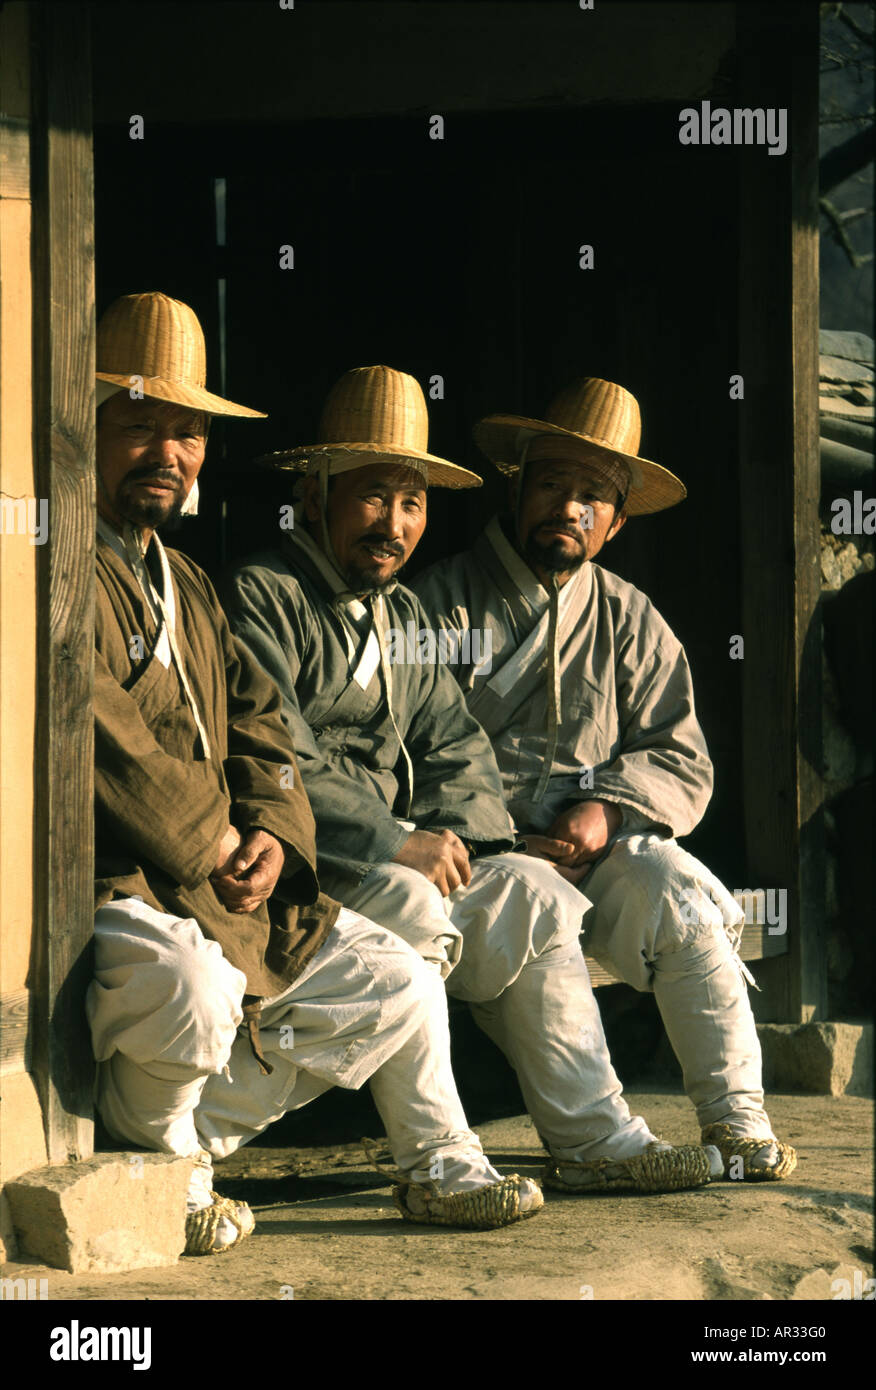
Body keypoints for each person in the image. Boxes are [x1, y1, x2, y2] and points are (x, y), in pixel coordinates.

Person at [88, 293, 548, 1253]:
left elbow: (260, 729)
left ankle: (430, 1167)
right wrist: (215, 834)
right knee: (193, 989)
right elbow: (103, 732)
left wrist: (270, 829)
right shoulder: (63, 570)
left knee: (398, 979)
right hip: (126, 880)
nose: (168, 455)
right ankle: (163, 1163)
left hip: (230, 876)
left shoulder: (187, 580)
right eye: (141, 428)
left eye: (187, 434)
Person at [224, 363, 715, 1196]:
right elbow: (278, 759)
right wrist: (395, 839)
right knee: (416, 902)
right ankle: (440, 1163)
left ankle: (595, 1137)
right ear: (314, 494)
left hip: (399, 859)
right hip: (311, 862)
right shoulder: (262, 597)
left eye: (412, 503)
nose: (395, 524)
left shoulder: (402, 615)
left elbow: (453, 742)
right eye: (373, 495)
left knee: (532, 889)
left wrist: (476, 841)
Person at [412, 375, 797, 1182]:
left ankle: (736, 1119)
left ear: (616, 524)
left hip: (595, 845)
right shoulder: (437, 602)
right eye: (553, 483)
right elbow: (407, 748)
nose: (570, 509)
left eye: (595, 496)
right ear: (519, 488)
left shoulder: (629, 617)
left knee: (676, 883)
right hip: (479, 852)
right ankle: (597, 1146)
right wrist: (501, 832)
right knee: (531, 899)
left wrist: (608, 812)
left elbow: (680, 753)